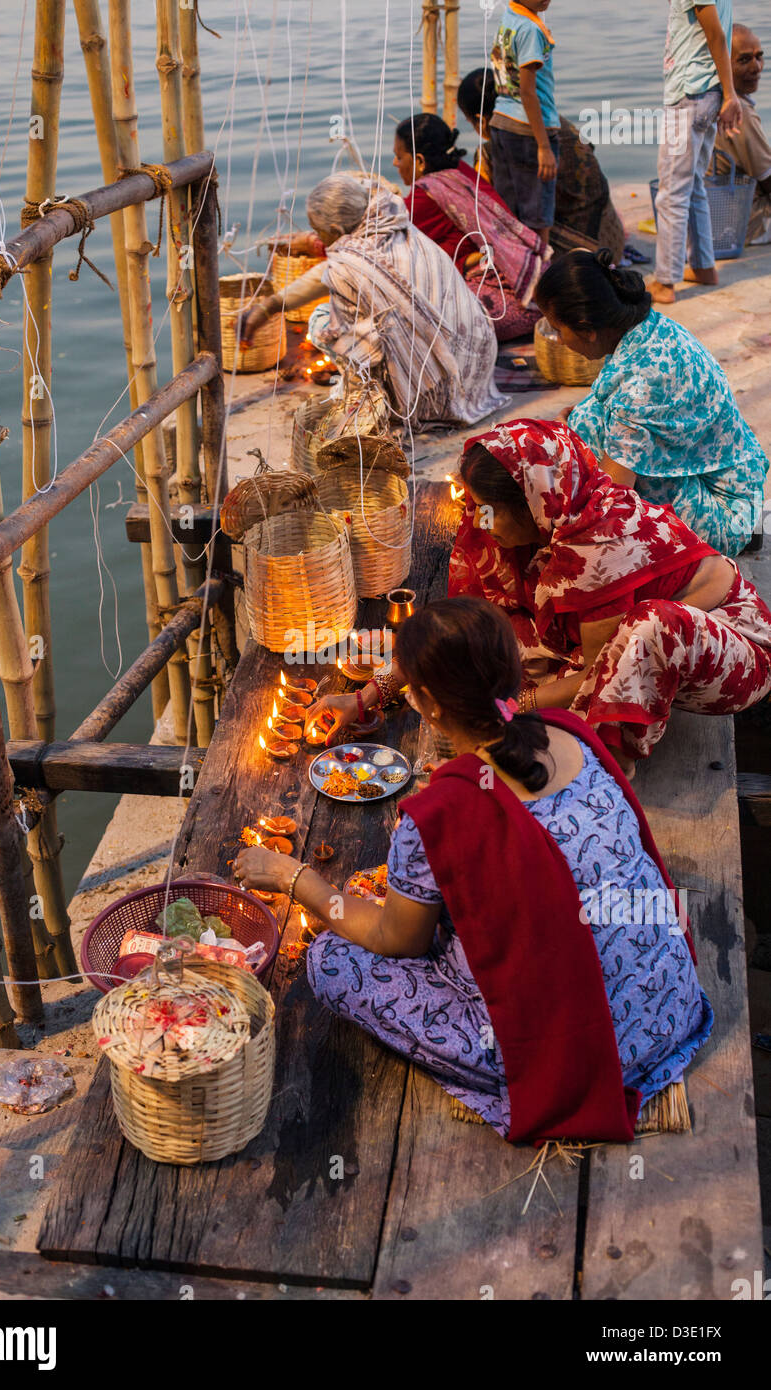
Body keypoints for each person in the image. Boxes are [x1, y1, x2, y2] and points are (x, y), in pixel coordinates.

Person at [233, 596, 713, 1144]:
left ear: (430, 705)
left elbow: (398, 940)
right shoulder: (570, 733)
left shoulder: (442, 813)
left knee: (331, 961)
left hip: (587, 1052)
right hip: (667, 1005)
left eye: (408, 689)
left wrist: (295, 878)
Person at [311, 420, 771, 773]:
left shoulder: (599, 547)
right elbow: (459, 629)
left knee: (647, 627)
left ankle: (608, 771)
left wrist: (513, 709)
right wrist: (369, 695)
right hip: (614, 644)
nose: (479, 522)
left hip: (729, 652)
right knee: (501, 637)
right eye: (474, 506)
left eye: (490, 511)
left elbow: (600, 674)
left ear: (537, 503)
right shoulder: (522, 526)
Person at [535, 249, 767, 556]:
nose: (558, 339)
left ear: (588, 331)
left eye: (558, 329)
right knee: (582, 425)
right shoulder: (644, 327)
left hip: (726, 511)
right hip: (732, 475)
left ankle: (732, 537)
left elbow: (613, 498)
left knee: (587, 474)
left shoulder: (642, 385)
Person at [238, 172, 506, 431]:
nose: (318, 238)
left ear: (335, 229)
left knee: (321, 320)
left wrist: (356, 414)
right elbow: (327, 271)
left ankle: (391, 397)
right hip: (478, 369)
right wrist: (269, 307)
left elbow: (357, 349)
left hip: (436, 395)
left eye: (318, 232)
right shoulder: (393, 218)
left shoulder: (348, 268)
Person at [392, 112, 548, 341]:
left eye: (399, 156)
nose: (395, 163)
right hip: (529, 288)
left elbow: (386, 241)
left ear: (420, 161)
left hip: (502, 299)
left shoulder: (426, 196)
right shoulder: (462, 171)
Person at [458, 65, 626, 262]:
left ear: (481, 120)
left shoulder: (492, 153)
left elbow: (494, 215)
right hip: (611, 239)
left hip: (584, 260)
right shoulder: (549, 118)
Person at [649, 0, 742, 305]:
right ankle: (703, 266)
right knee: (693, 184)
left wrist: (731, 95)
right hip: (706, 93)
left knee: (672, 191)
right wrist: (725, 93)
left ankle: (665, 281)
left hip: (690, 94)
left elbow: (716, 34)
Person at [489, 0, 560, 248]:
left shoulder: (510, 17)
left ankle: (516, 271)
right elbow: (528, 92)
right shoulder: (530, 29)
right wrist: (543, 146)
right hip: (528, 130)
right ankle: (539, 276)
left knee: (509, 211)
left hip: (502, 122)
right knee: (538, 217)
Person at [714, 23, 771, 245]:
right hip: (739, 224)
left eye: (759, 57)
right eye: (744, 60)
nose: (756, 67)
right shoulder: (738, 112)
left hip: (716, 215)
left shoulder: (711, 100)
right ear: (721, 64)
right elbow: (767, 179)